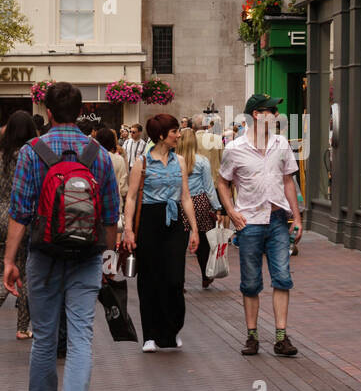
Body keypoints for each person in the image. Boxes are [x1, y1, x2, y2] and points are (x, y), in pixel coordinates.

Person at [3, 82, 119, 391]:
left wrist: (9, 260)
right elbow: (111, 213)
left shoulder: (31, 152)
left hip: (44, 254)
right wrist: (109, 257)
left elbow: (20, 212)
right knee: (82, 336)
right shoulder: (97, 153)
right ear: (81, 111)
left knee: (44, 337)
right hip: (86, 255)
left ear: (48, 113)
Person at [217, 94, 302, 358]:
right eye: (271, 111)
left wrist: (297, 218)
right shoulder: (235, 148)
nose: (276, 115)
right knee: (251, 283)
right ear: (256, 114)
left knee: (283, 279)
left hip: (277, 220)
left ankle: (281, 336)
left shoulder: (281, 144)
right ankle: (252, 335)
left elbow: (288, 181)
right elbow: (222, 182)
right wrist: (231, 212)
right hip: (249, 222)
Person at [122, 114, 199, 352]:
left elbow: (185, 196)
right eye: (174, 131)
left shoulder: (181, 161)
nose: (178, 135)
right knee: (150, 279)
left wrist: (194, 228)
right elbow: (132, 197)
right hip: (149, 221)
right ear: (161, 135)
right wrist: (128, 230)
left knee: (175, 279)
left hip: (174, 220)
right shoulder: (142, 162)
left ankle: (172, 329)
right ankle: (151, 335)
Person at [0, 110, 36, 340]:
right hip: (22, 215)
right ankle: (23, 326)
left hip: (1, 214)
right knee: (23, 272)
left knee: (0, 272)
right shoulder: (28, 154)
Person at [178, 127, 222, 288]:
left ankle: (179, 281)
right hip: (200, 202)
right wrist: (217, 207)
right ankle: (206, 274)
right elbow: (209, 187)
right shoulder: (202, 161)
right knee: (203, 242)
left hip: (181, 203)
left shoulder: (174, 160)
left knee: (180, 243)